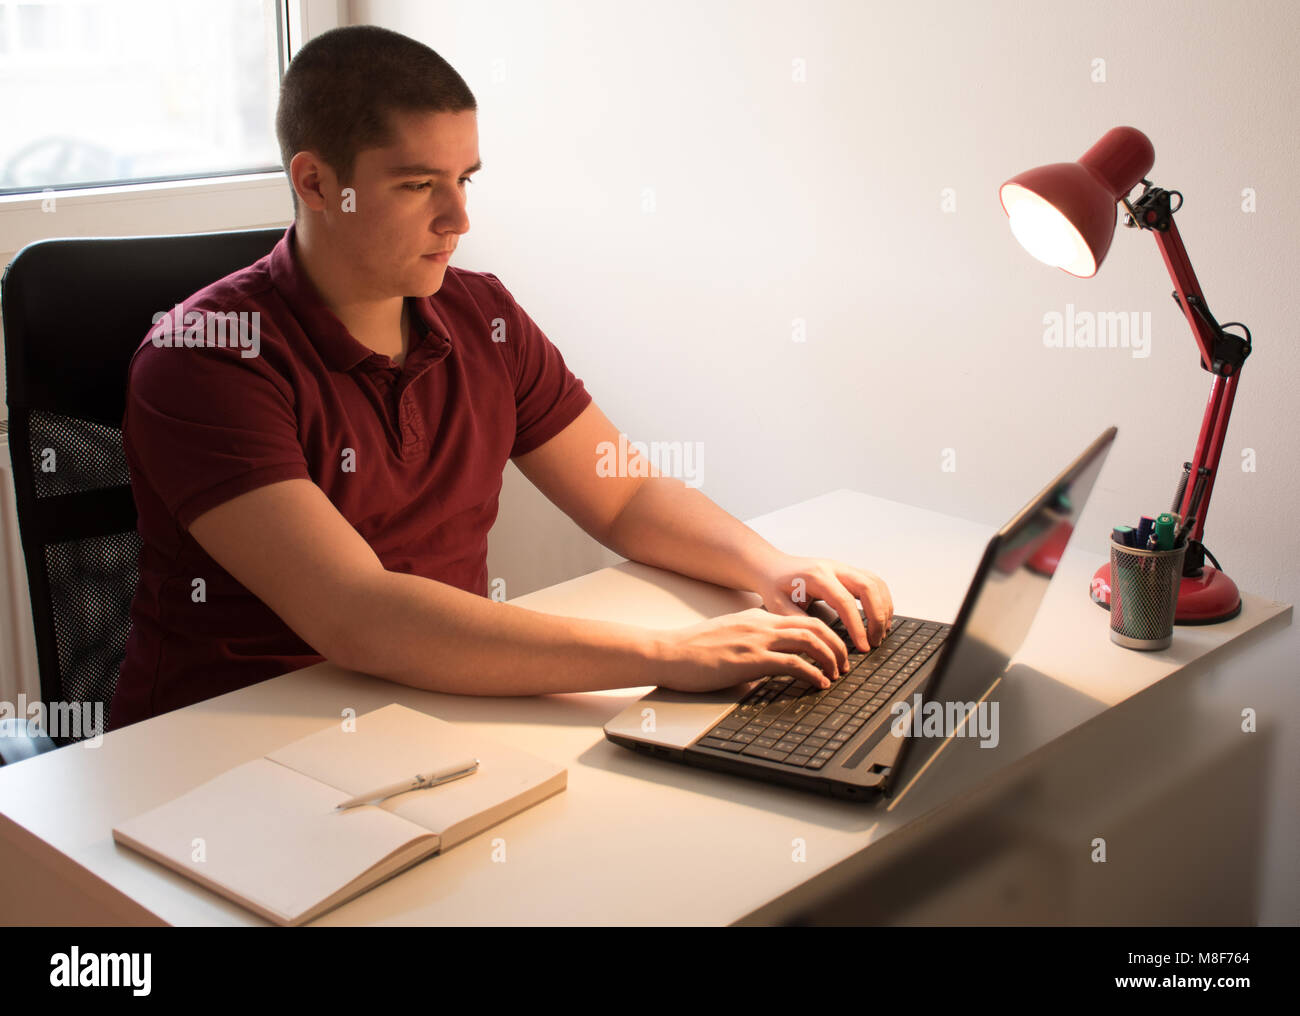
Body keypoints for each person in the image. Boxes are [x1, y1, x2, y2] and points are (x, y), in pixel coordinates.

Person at [107, 24, 893, 731]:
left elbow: (623, 495)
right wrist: (668, 653)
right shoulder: (204, 357)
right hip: (223, 752)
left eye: (465, 180)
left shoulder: (481, 314)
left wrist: (771, 568)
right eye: (418, 185)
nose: (458, 219)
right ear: (315, 183)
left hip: (434, 710)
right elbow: (359, 615)